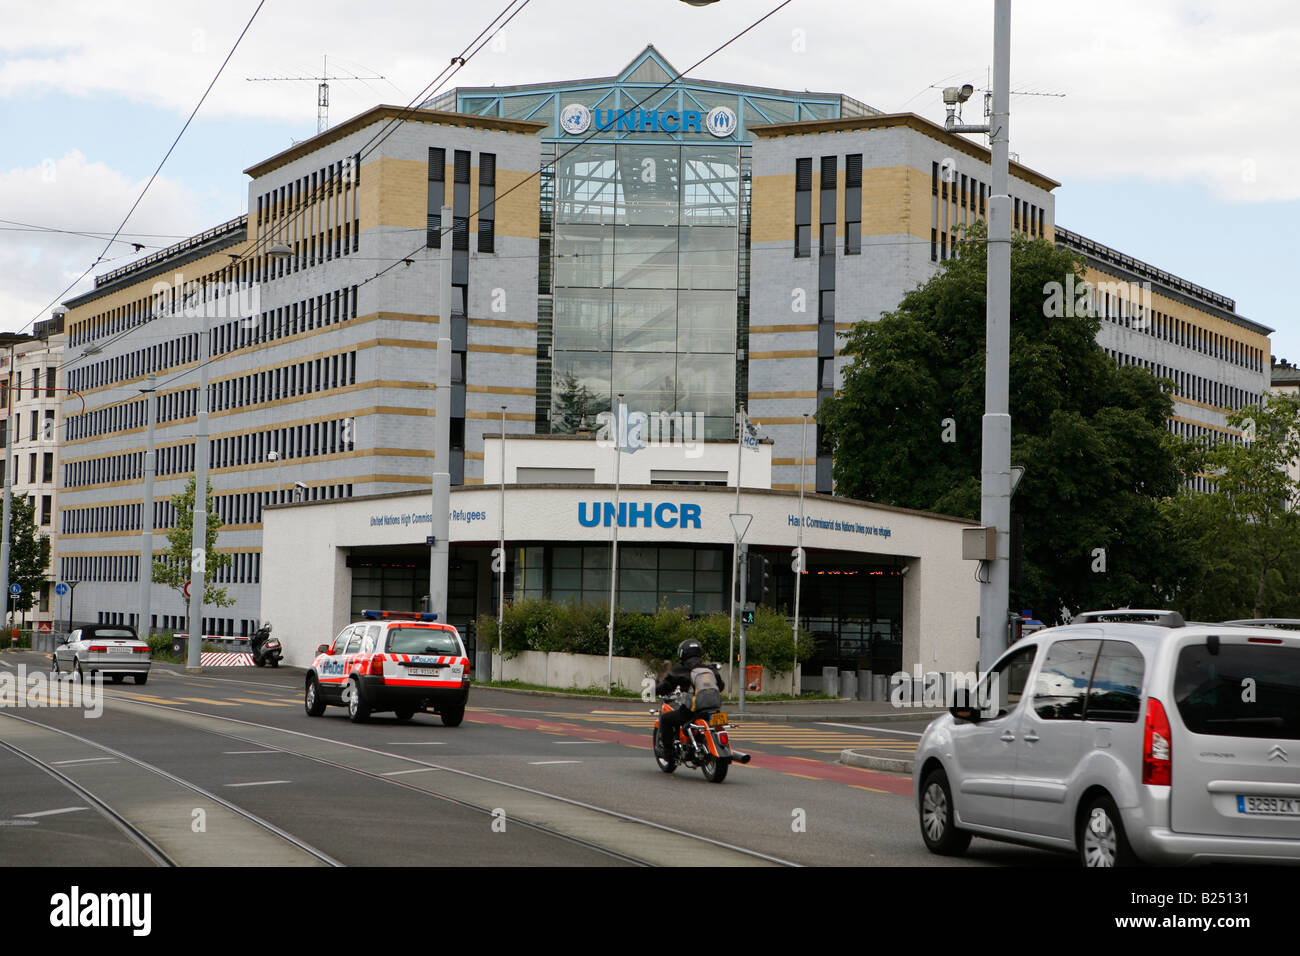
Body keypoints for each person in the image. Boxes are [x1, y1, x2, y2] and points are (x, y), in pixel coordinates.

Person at [655, 638, 725, 766]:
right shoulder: (710, 669)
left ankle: (669, 755)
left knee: (666, 719)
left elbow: (667, 686)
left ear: (682, 653)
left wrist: (655, 689)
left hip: (693, 711)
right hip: (714, 709)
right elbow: (721, 686)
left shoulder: (681, 670)